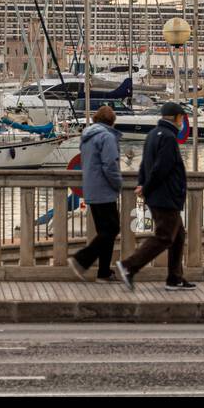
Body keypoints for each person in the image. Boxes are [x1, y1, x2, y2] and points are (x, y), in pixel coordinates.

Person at [115, 102, 196, 290]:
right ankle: (129, 266)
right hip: (166, 196)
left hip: (158, 195)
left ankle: (175, 278)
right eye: (182, 118)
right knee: (165, 236)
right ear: (177, 118)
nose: (183, 122)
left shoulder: (152, 135)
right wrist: (147, 187)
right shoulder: (168, 137)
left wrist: (142, 184)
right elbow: (161, 168)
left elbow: (145, 164)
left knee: (178, 236)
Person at [69, 105, 123, 281]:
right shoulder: (106, 137)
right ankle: (81, 259)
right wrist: (118, 184)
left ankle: (104, 272)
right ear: (111, 122)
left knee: (104, 232)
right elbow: (110, 164)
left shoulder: (87, 137)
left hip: (91, 188)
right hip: (104, 189)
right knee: (112, 229)